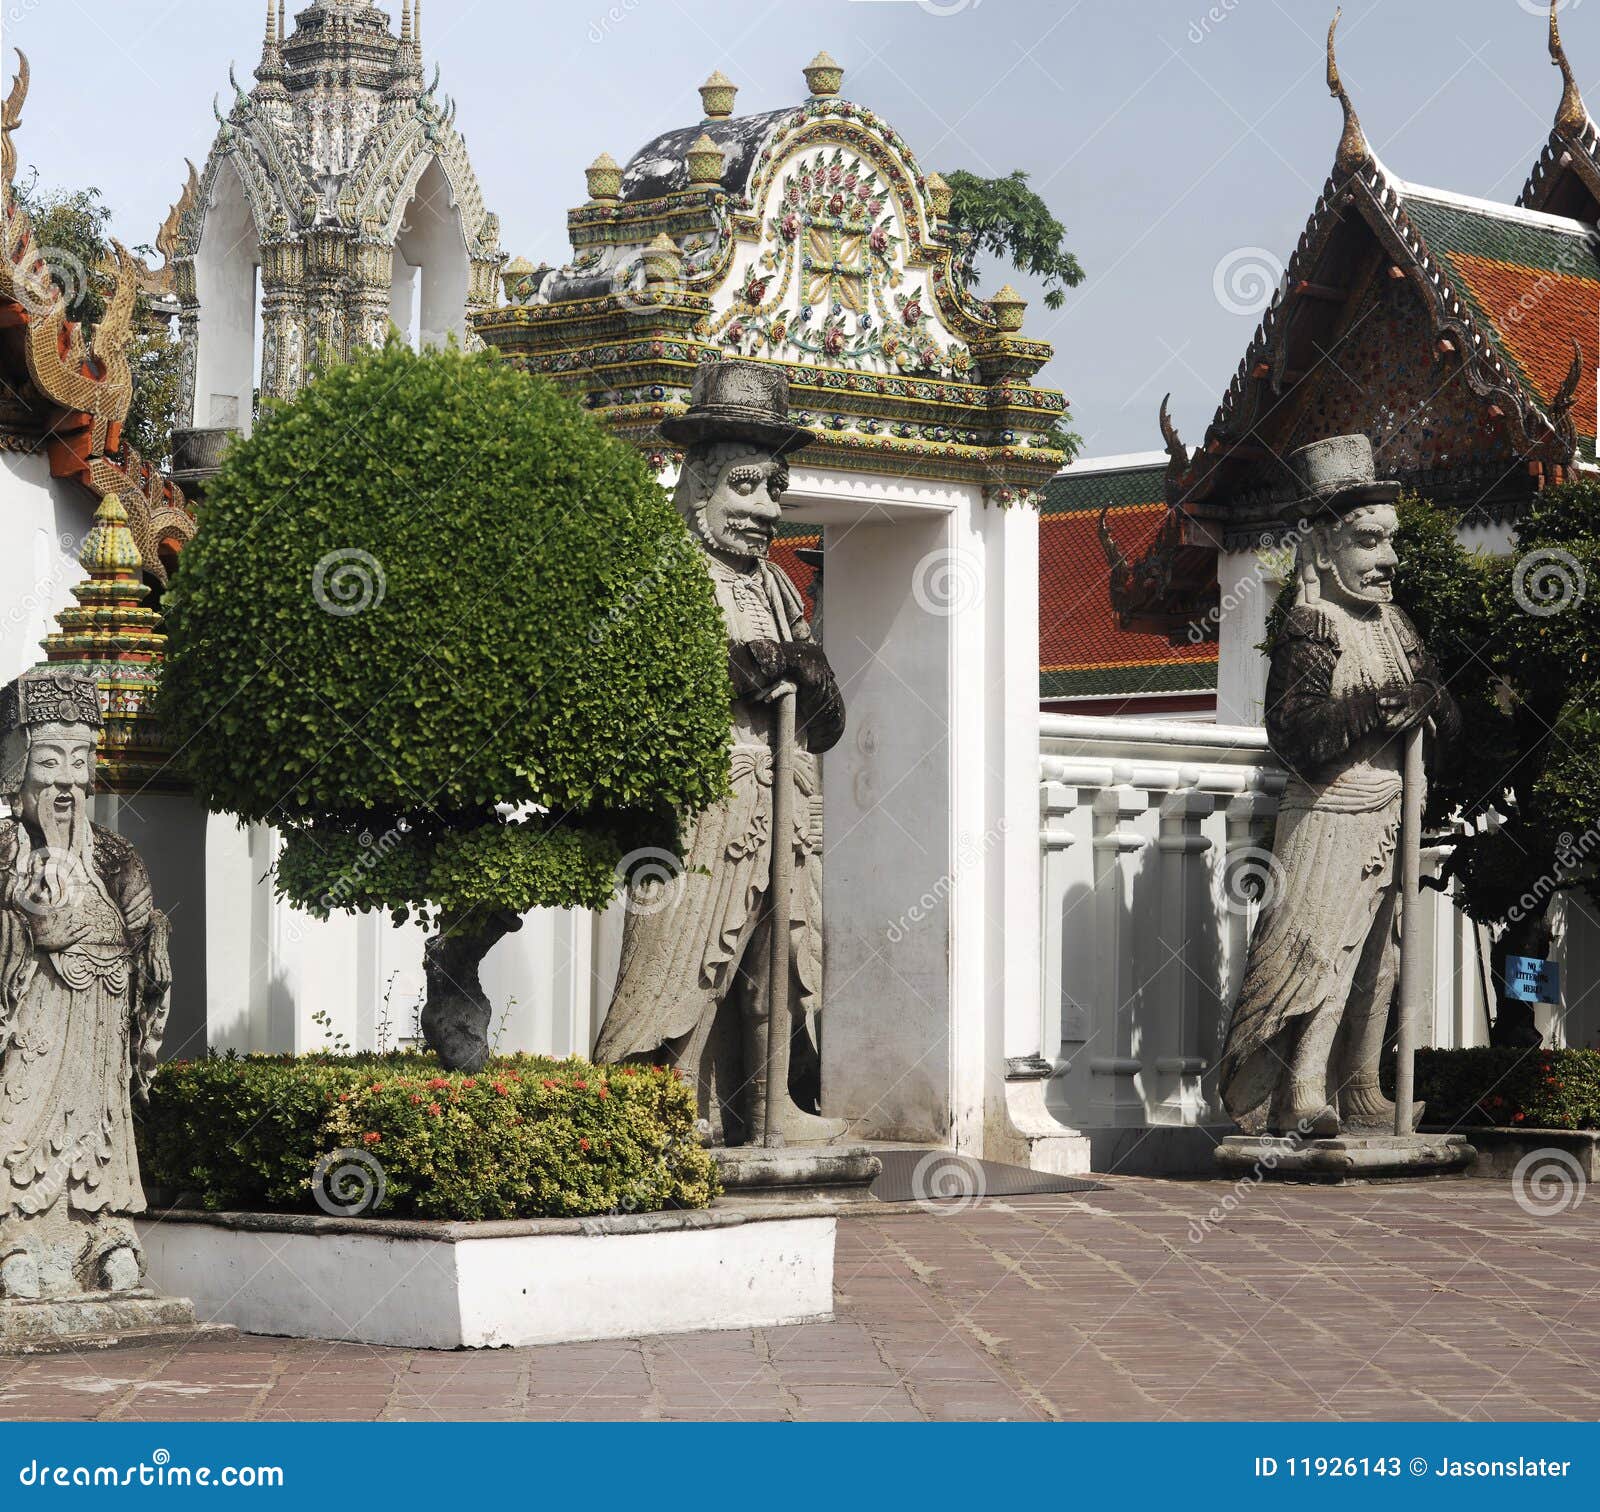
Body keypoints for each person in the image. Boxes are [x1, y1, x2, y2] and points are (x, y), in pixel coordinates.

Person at [595, 362, 846, 1145]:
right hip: (706, 801)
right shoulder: (666, 572)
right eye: (746, 487)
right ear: (699, 485)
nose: (766, 509)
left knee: (788, 955)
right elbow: (639, 689)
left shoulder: (777, 588)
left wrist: (812, 674)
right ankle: (668, 1101)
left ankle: (772, 1107)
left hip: (786, 801)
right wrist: (730, 672)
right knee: (691, 953)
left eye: (775, 489)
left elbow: (826, 723)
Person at [1217, 435, 1459, 1137]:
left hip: (1390, 808)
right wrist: (1383, 707)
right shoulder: (1309, 624)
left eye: (1392, 541)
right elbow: (1296, 737)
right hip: (1330, 812)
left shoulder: (1397, 625)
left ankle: (1362, 1088)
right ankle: (1299, 1093)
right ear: (1324, 548)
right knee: (1321, 957)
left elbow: (1445, 711)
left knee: (1380, 964)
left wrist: (1431, 707)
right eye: (1368, 542)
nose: (1388, 560)